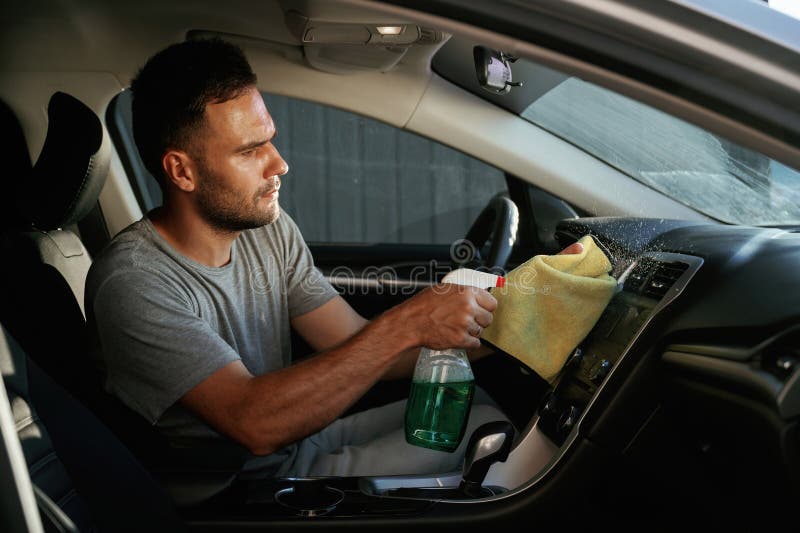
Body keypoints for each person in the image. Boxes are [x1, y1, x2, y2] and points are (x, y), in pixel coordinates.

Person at [86, 38, 581, 479]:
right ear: (182, 171)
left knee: (482, 416)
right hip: (234, 489)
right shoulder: (133, 282)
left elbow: (352, 343)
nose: (279, 163)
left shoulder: (267, 230)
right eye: (249, 150)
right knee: (498, 451)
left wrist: (534, 316)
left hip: (293, 446)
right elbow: (252, 424)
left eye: (271, 138)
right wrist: (410, 321)